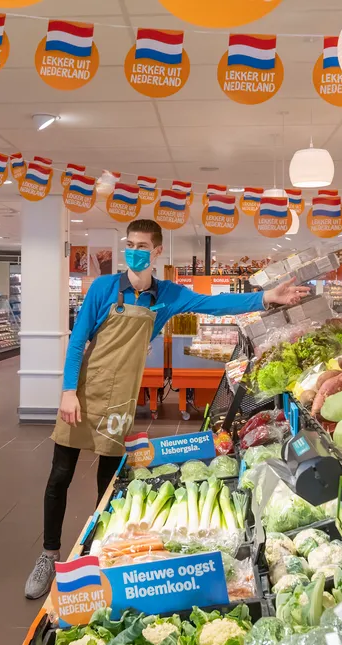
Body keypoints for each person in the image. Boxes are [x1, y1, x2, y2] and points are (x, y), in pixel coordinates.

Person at [25, 218, 310, 598]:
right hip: (85, 391)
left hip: (122, 399)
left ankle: (100, 551)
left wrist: (264, 299)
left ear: (157, 251)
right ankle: (49, 555)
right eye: (130, 243)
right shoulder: (103, 288)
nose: (134, 251)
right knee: (60, 475)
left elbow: (213, 302)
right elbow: (78, 342)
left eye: (143, 245)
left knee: (107, 482)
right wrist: (67, 392)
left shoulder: (168, 296)